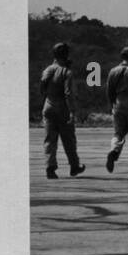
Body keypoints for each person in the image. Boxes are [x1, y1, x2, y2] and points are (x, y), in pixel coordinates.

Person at [39, 42, 85, 179]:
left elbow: (42, 89)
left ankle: (50, 167)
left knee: (49, 140)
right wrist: (72, 111)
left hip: (48, 106)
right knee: (69, 140)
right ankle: (74, 166)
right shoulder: (67, 72)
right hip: (62, 108)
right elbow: (68, 93)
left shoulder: (47, 70)